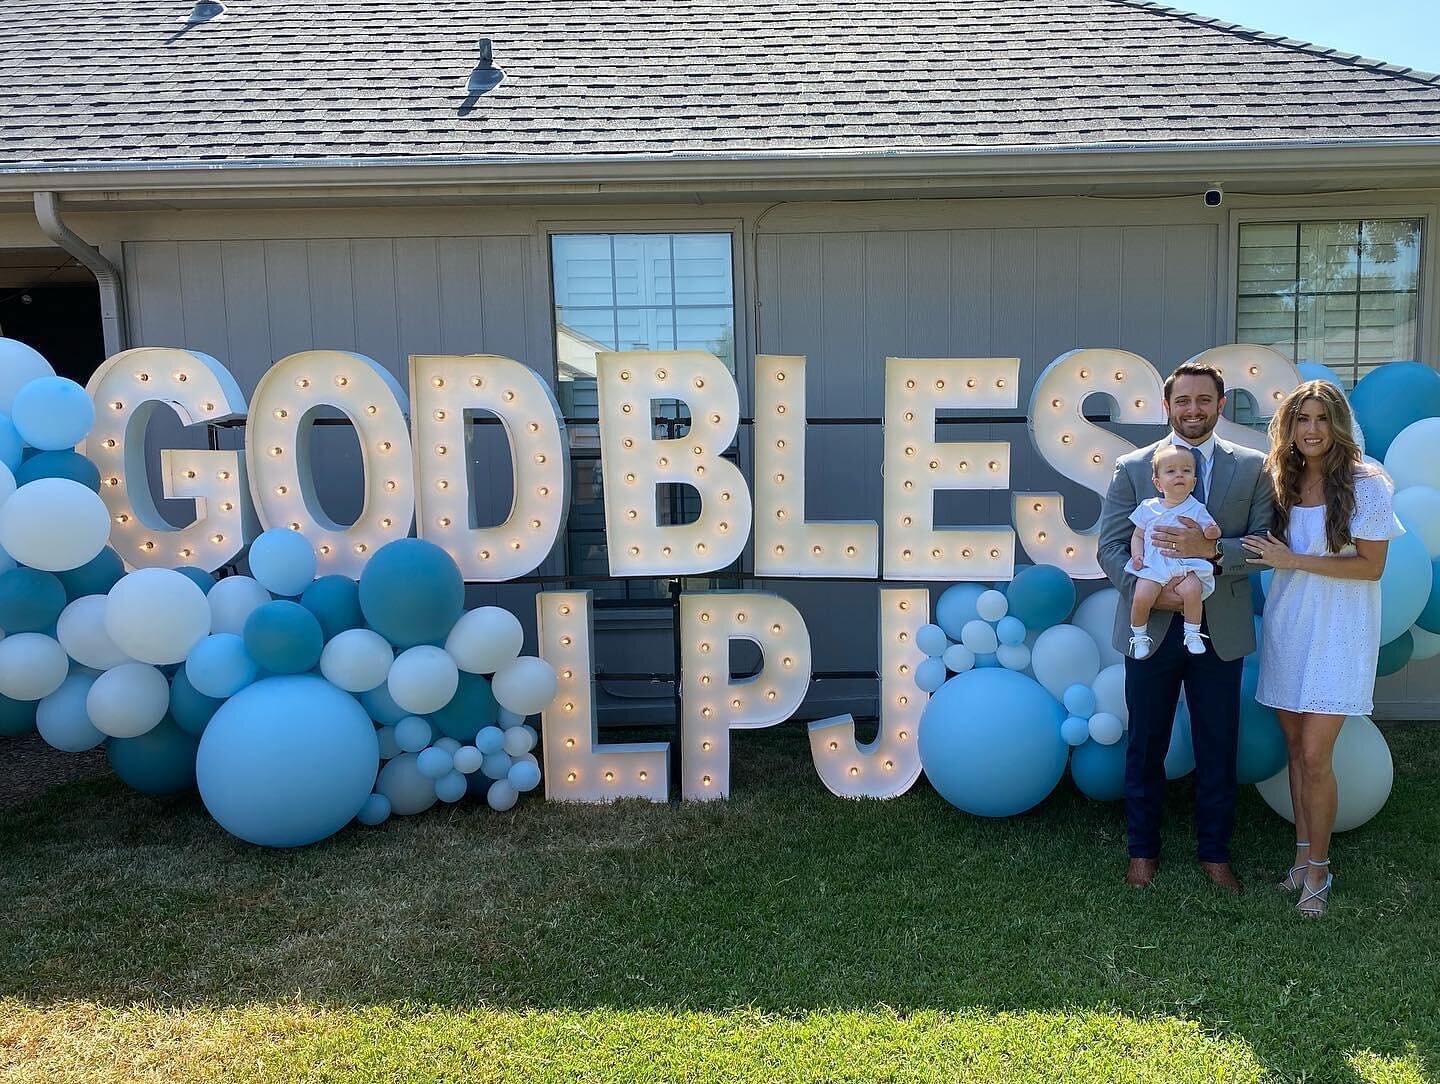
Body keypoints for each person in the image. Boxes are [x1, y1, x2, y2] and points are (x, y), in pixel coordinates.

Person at [1098, 361, 1273, 893]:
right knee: (1145, 741)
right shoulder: (1133, 468)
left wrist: (1211, 552)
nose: (1192, 410)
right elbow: (1109, 548)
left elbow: (1264, 546)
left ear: (1221, 406)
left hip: (1219, 628)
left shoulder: (1253, 467)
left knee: (1218, 741)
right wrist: (1164, 598)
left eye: (1203, 401)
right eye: (1183, 401)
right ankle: (1142, 851)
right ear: (1167, 407)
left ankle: (1215, 853)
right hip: (1150, 625)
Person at [1243, 380, 1399, 918]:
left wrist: (1296, 562)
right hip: (1290, 627)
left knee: (1315, 754)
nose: (1311, 430)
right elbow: (1259, 550)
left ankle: (1319, 872)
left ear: (1339, 425)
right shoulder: (1281, 481)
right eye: (1300, 419)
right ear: (1287, 428)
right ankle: (1300, 856)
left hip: (1340, 632)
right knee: (1293, 749)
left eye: (1321, 419)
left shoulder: (1367, 483)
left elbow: (1372, 566)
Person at [1127, 444, 1224, 659]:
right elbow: (1138, 535)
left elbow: (1211, 531)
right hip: (1154, 565)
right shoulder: (1148, 507)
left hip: (1185, 566)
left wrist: (1212, 530)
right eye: (1171, 471)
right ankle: (1139, 635)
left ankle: (1192, 633)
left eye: (1186, 471)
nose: (1179, 474)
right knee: (1142, 596)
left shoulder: (1196, 508)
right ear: (1158, 483)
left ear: (1193, 483)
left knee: (1192, 590)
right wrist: (1137, 555)